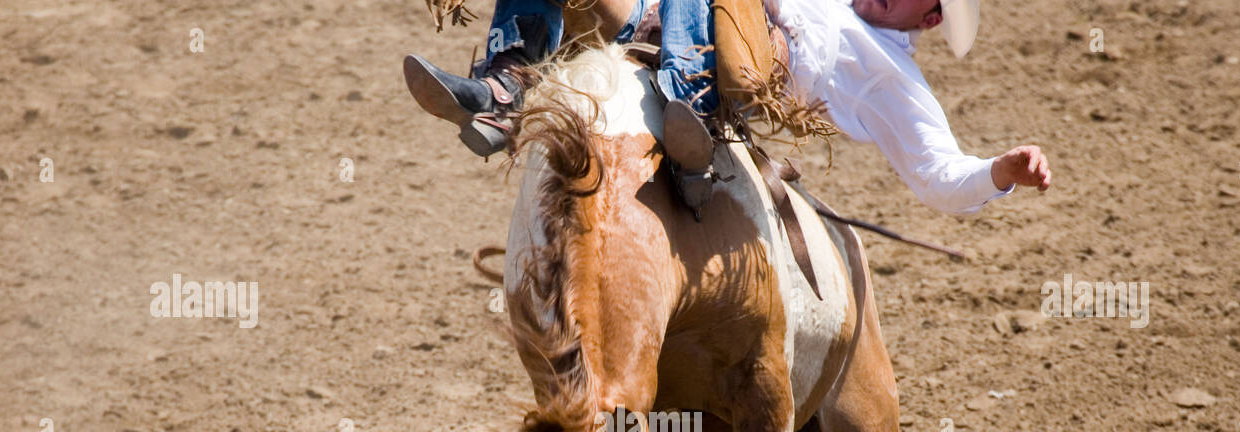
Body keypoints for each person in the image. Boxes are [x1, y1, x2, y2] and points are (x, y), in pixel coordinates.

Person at [403, 0, 1050, 215]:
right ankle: (500, 92)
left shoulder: (891, 74)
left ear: (932, 17)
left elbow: (938, 174)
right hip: (661, 13)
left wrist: (999, 171)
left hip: (745, 58)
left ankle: (690, 103)